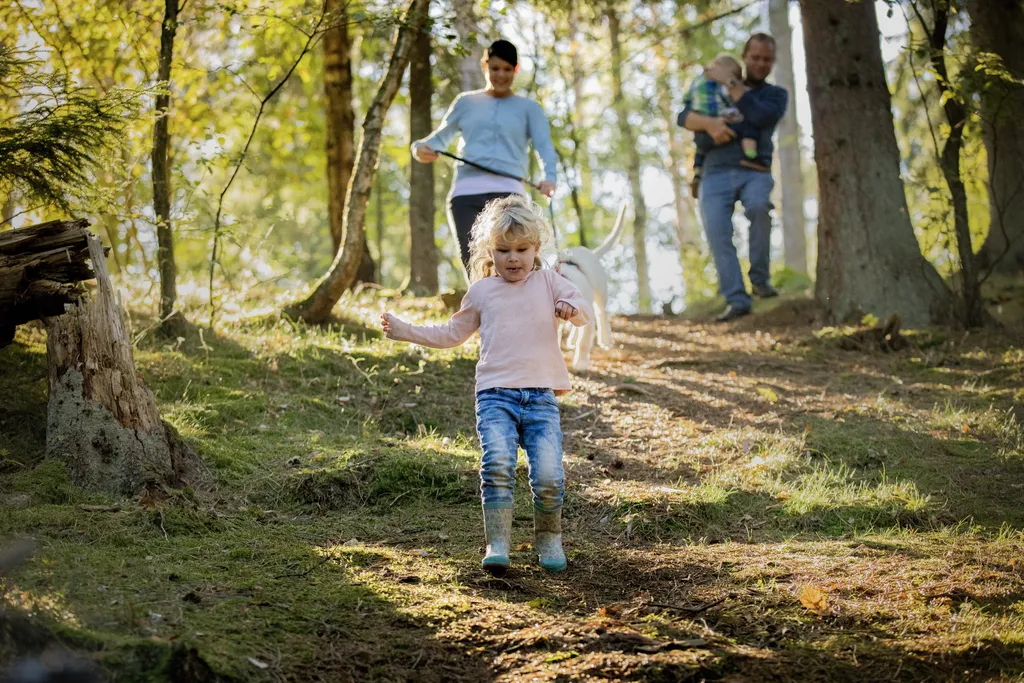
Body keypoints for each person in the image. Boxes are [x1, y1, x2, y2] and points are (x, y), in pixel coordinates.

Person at [380, 195, 592, 576]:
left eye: (522, 249)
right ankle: (498, 542)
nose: (514, 258)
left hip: (541, 396)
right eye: (503, 250)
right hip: (495, 395)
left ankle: (549, 539)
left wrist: (569, 310)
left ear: (536, 249)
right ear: (488, 252)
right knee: (497, 464)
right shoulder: (481, 292)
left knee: (547, 474)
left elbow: (581, 314)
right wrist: (405, 331)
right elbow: (451, 333)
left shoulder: (548, 281)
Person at [410, 39, 557, 278]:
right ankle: (480, 314)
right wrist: (419, 148)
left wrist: (549, 177)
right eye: (495, 68)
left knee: (514, 265)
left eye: (507, 69)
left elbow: (545, 147)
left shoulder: (529, 108)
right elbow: (437, 140)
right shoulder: (466, 103)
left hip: (510, 195)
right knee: (476, 264)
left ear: (516, 70)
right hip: (466, 194)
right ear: (484, 65)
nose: (501, 75)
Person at [678, 33, 788, 322]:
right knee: (717, 232)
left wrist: (732, 85)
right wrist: (711, 125)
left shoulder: (775, 95)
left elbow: (761, 116)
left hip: (756, 172)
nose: (760, 63)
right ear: (745, 56)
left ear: (773, 61)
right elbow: (684, 117)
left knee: (759, 208)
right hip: (714, 171)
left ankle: (761, 280)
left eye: (767, 59)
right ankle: (737, 299)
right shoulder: (714, 89)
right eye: (755, 57)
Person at [684, 53, 766, 198]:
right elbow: (732, 101)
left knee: (700, 150)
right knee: (747, 124)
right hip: (720, 119)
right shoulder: (722, 86)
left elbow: (686, 102)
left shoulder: (697, 81)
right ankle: (751, 152)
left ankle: (697, 172)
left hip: (700, 124)